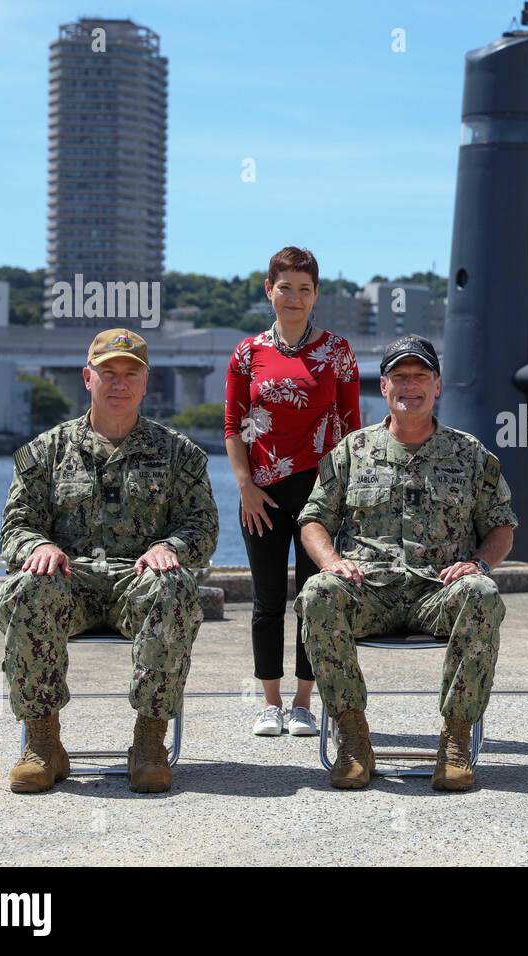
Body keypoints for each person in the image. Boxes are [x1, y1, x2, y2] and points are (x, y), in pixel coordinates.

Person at [0, 329, 219, 794]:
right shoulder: (46, 452)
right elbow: (15, 527)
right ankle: (43, 744)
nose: (119, 383)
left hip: (136, 584)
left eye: (130, 374)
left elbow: (202, 528)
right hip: (68, 582)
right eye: (108, 373)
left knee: (174, 586)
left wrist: (170, 548)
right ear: (87, 378)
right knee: (27, 587)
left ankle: (149, 744)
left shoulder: (180, 455)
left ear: (145, 383)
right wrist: (38, 546)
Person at [294, 335, 517, 792]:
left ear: (437, 386)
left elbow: (501, 527)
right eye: (400, 376)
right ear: (384, 385)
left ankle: (455, 741)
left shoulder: (470, 454)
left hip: (438, 590)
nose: (409, 386)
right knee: (316, 593)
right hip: (367, 588)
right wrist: (332, 561)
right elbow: (313, 520)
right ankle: (353, 739)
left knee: (482, 594)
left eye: (420, 376)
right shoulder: (351, 452)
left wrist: (479, 563)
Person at [224, 247, 361, 738]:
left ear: (316, 294)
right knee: (266, 600)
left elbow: (351, 429)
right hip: (260, 492)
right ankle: (270, 702)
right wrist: (245, 487)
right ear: (270, 290)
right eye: (286, 287)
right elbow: (232, 426)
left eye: (305, 288)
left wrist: (341, 497)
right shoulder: (247, 353)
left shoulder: (338, 352)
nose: (295, 297)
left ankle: (303, 702)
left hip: (319, 491)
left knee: (313, 596)